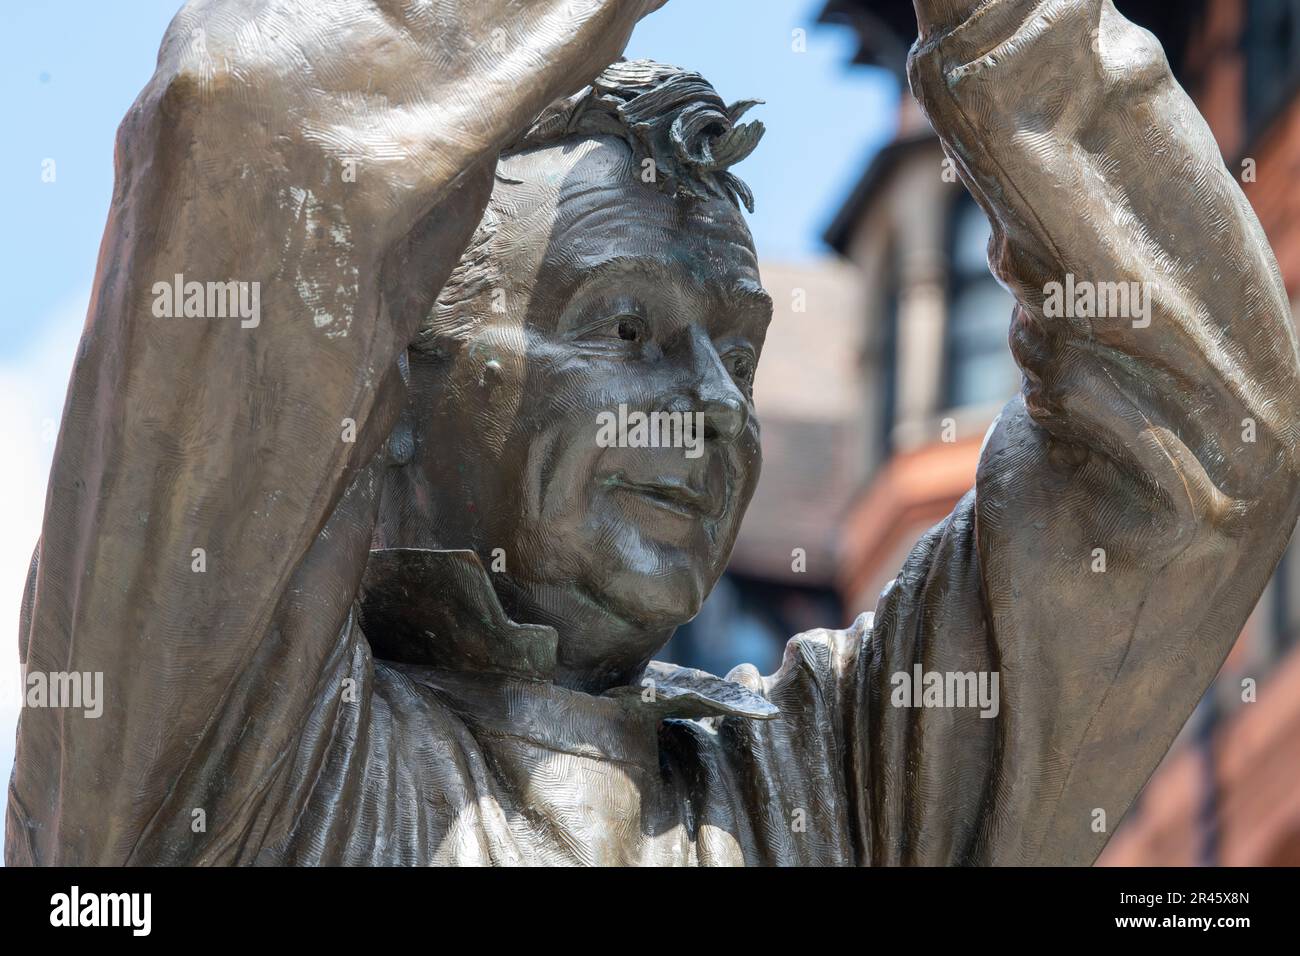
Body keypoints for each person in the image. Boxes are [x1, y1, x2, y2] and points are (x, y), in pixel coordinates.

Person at [8, 0, 1300, 865]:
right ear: (391, 395)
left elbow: (1198, 448)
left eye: (733, 349)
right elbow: (255, 132)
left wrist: (1016, 25)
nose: (711, 405)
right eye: (623, 327)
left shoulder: (834, 788)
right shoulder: (218, 744)